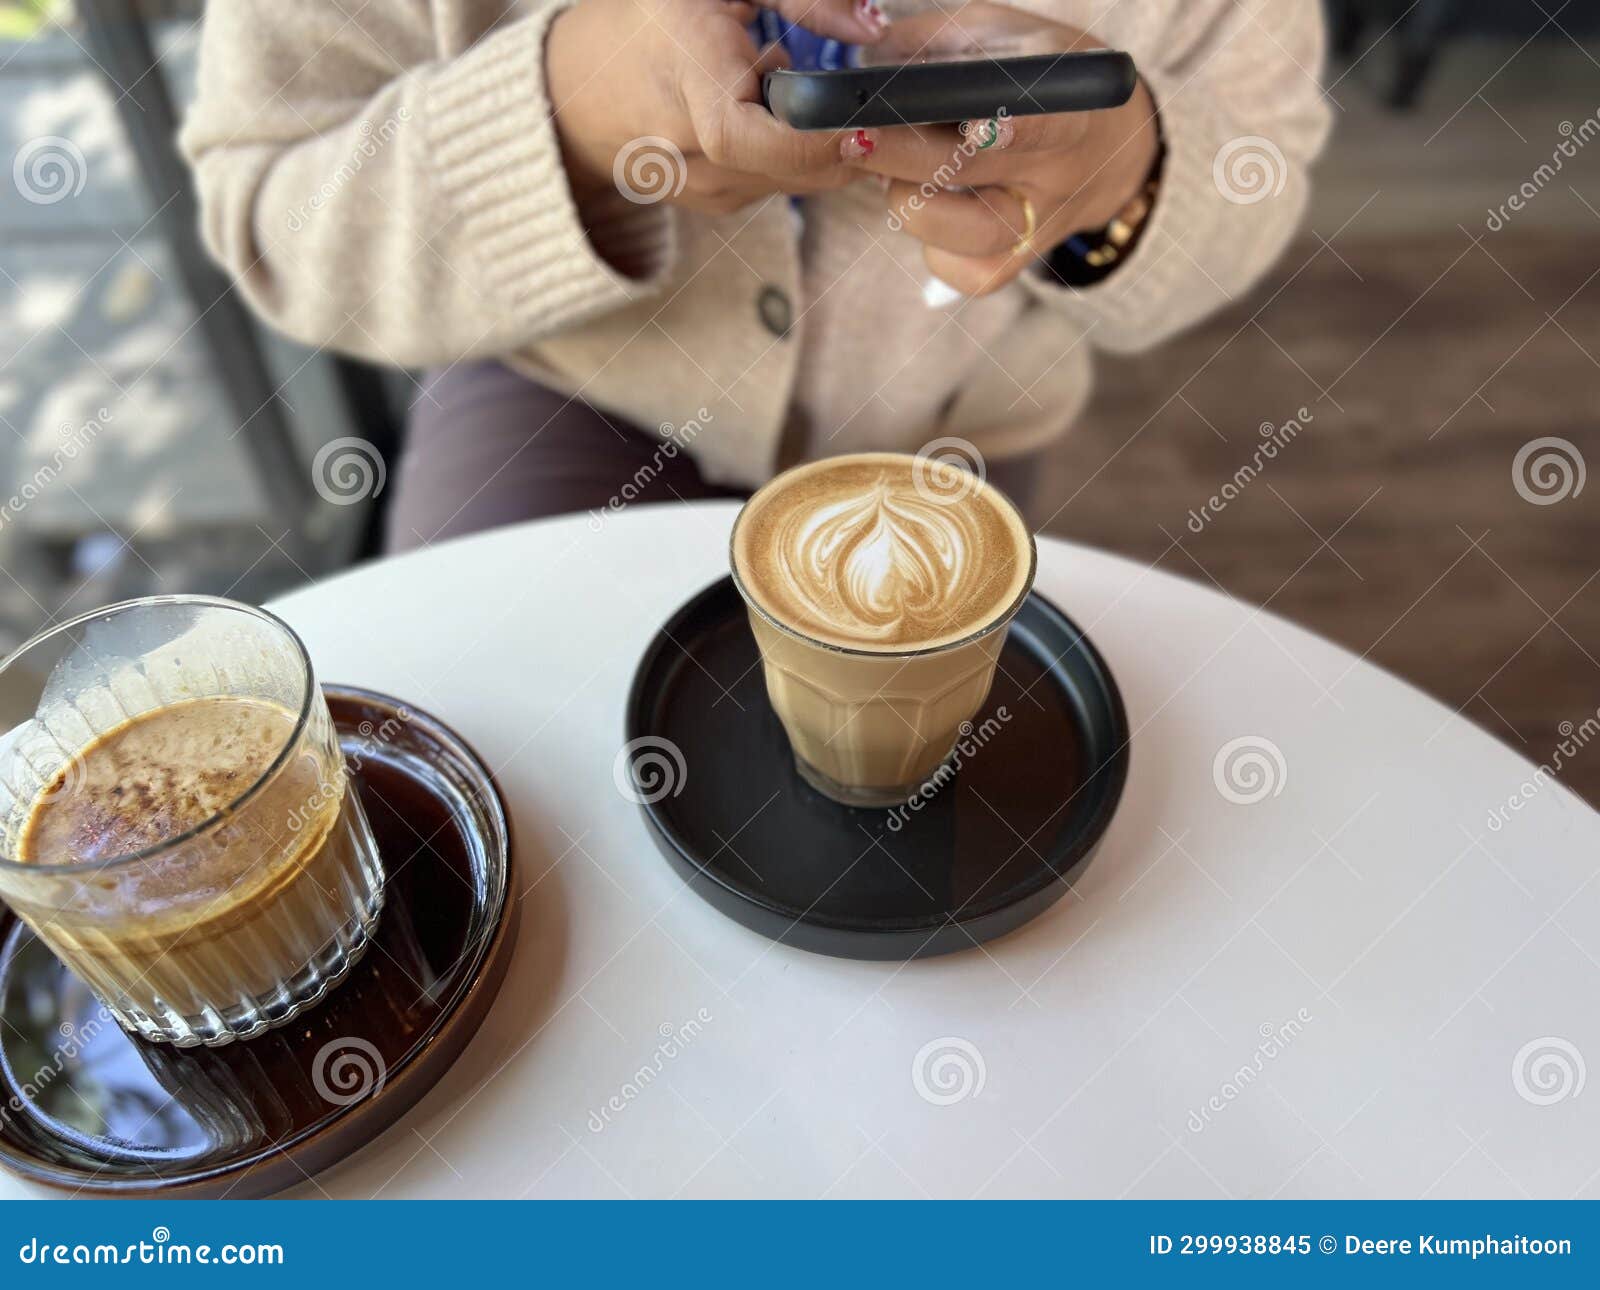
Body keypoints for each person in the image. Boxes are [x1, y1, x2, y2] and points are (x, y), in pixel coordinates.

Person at [180, 0, 1329, 551]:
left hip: (954, 427)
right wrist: (558, 115)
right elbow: (274, 210)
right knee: (497, 811)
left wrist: (1129, 169)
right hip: (569, 392)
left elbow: (1260, 162)